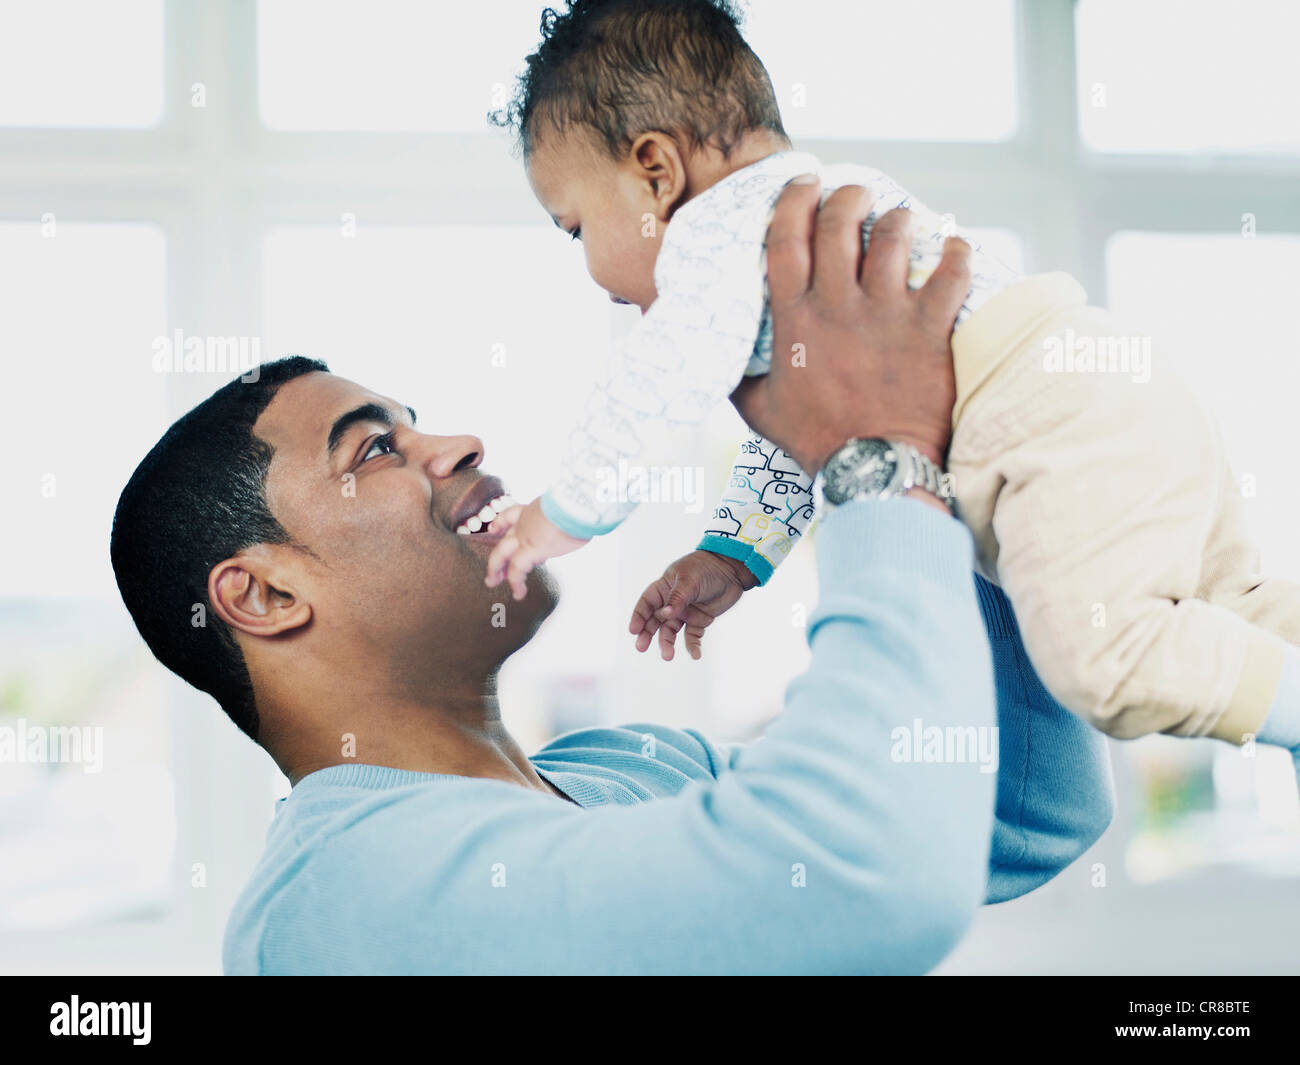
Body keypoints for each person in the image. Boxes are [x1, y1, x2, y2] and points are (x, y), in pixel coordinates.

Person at [109, 179, 1112, 975]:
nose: (458, 443)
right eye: (373, 450)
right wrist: (877, 454)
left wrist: (964, 440)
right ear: (266, 596)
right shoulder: (338, 902)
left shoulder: (644, 769)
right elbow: (872, 877)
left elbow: (1021, 813)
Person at [481, 0, 1300, 772]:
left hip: (1041, 420)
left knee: (1108, 662)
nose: (590, 269)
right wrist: (732, 553)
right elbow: (807, 435)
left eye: (577, 227)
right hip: (1109, 384)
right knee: (1229, 608)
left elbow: (657, 378)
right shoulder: (805, 213)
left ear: (656, 170)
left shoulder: (711, 236)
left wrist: (566, 511)